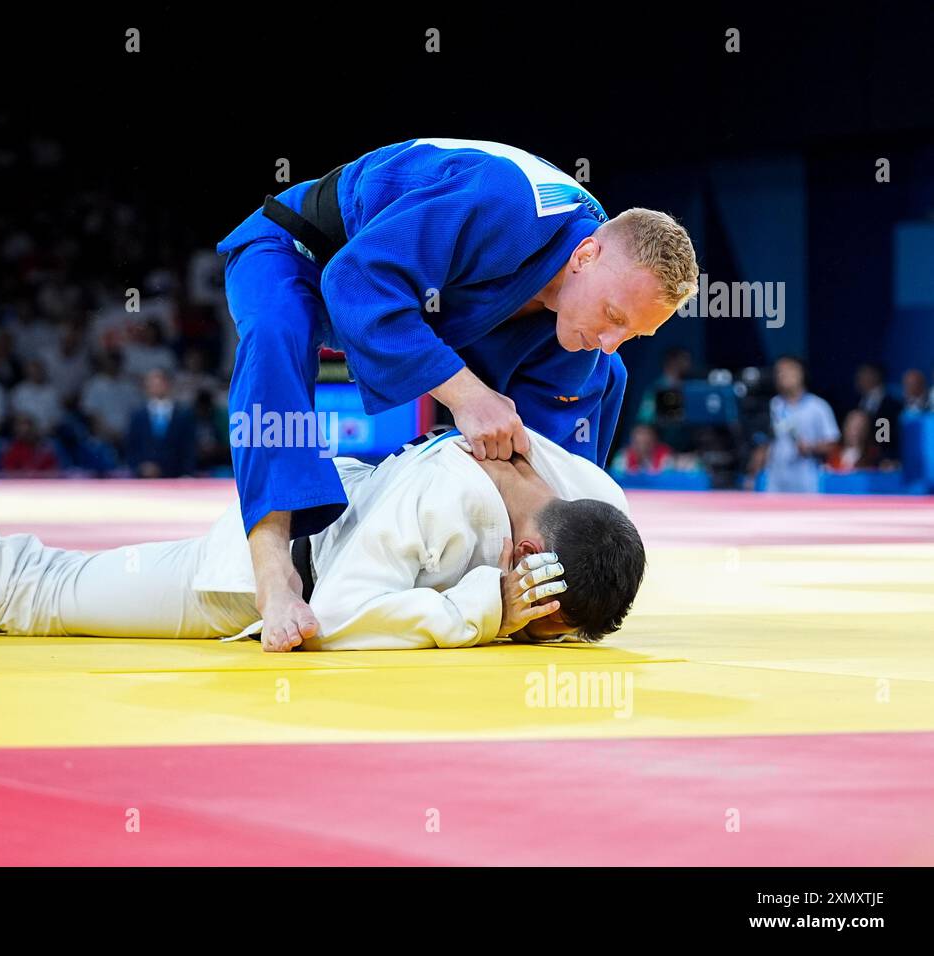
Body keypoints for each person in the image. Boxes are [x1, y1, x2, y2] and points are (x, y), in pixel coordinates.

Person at [217, 137, 697, 651]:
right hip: (307, 252)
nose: (610, 339)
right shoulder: (505, 205)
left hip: (437, 303)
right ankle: (272, 569)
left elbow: (540, 467)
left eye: (631, 333)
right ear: (585, 255)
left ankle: (513, 579)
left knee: (604, 377)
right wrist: (467, 393)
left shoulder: (588, 292)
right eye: (614, 317)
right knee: (275, 330)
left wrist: (559, 582)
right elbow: (354, 280)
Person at [0, 425, 646, 653]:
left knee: (37, 589)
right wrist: (484, 613)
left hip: (311, 525)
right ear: (531, 565)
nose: (540, 638)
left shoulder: (590, 499)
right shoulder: (445, 503)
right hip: (248, 577)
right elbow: (333, 615)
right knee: (32, 590)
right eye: (549, 626)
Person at [761, 356, 840, 493]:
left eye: (788, 371)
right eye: (779, 372)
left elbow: (832, 443)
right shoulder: (774, 405)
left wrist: (811, 447)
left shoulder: (818, 406)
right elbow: (767, 441)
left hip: (806, 478)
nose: (782, 376)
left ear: (800, 373)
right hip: (776, 479)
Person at [127, 368, 196, 477]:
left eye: (159, 383)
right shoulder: (137, 415)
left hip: (175, 476)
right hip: (144, 478)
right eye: (151, 384)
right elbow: (131, 447)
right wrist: (140, 467)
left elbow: (189, 447)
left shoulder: (183, 414)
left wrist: (186, 474)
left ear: (168, 384)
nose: (155, 387)